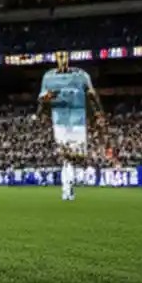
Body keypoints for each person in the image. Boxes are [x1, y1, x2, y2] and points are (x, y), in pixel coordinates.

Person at [38, 56, 105, 201]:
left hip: (78, 120)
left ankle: (68, 188)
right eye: (59, 56)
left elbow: (92, 94)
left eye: (64, 56)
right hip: (60, 121)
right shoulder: (48, 76)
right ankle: (67, 189)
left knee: (73, 158)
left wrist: (99, 113)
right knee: (66, 158)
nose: (62, 59)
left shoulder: (81, 75)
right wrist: (47, 100)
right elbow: (42, 99)